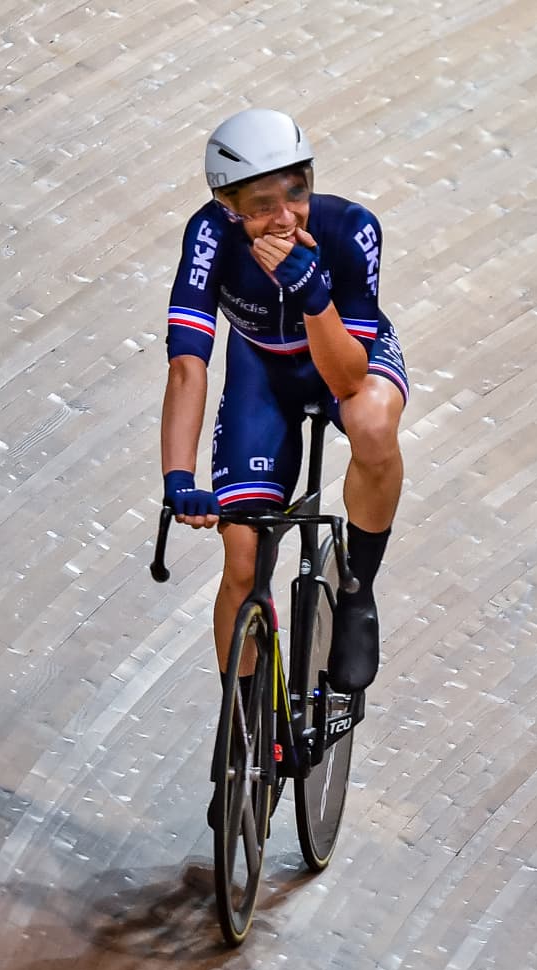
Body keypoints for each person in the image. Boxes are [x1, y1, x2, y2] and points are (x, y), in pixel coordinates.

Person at [159, 108, 406, 703]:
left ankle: (356, 590)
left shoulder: (350, 229)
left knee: (370, 422)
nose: (285, 218)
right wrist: (178, 477)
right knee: (243, 561)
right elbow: (188, 364)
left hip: (342, 355)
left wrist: (311, 294)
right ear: (227, 203)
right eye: (262, 204)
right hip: (261, 371)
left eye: (296, 192)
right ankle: (246, 732)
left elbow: (347, 381)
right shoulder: (210, 236)